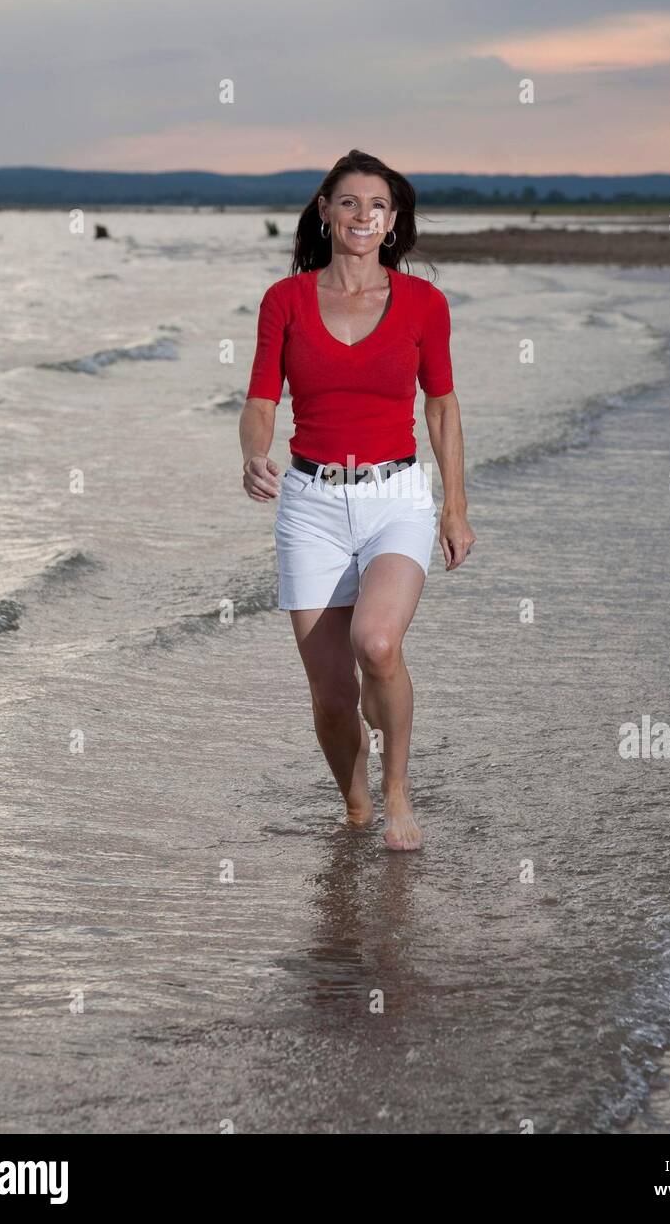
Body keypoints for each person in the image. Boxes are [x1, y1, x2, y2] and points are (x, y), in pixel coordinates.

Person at [239, 149, 475, 850]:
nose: (362, 216)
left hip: (395, 497)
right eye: (348, 202)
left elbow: (442, 406)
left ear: (394, 221)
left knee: (377, 643)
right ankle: (356, 805)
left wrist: (455, 506)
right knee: (334, 697)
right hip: (310, 502)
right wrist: (254, 452)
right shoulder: (285, 300)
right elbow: (259, 400)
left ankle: (399, 789)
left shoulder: (424, 304)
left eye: (377, 205)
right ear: (325, 212)